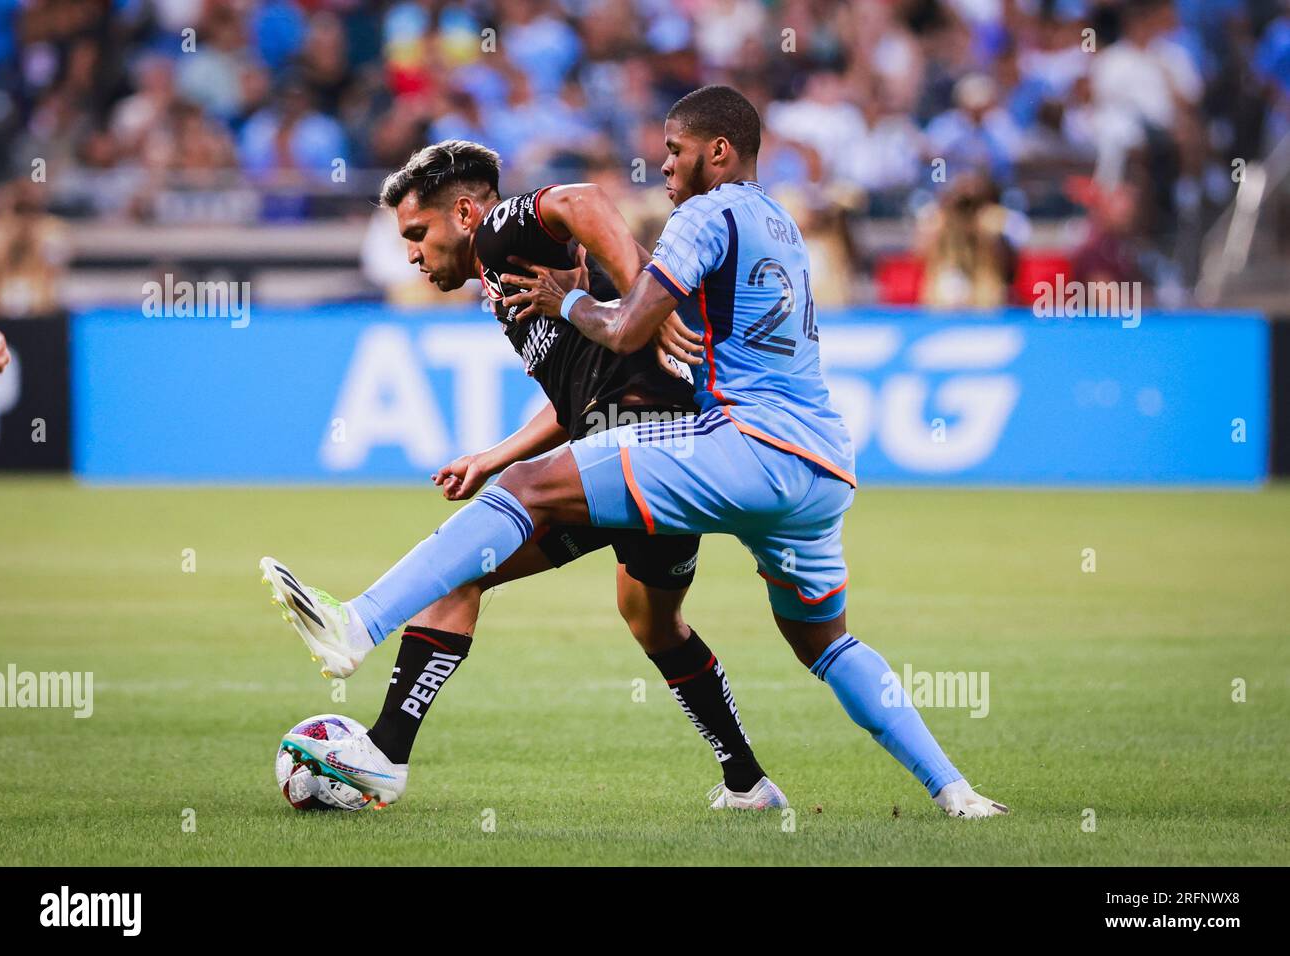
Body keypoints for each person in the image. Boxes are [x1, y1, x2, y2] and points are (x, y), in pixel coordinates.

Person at [265, 86, 1007, 818]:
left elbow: (586, 211)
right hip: (820, 468)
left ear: (718, 153)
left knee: (512, 509)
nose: (665, 171)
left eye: (675, 153)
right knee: (773, 637)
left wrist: (607, 303)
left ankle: (358, 622)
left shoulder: (557, 228)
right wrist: (498, 447)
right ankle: (937, 791)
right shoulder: (778, 220)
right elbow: (586, 389)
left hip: (713, 447)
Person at [263, 139, 785, 810]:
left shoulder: (503, 230)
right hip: (637, 446)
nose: (412, 254)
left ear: (464, 212)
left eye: (418, 233)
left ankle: (363, 651)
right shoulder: (505, 284)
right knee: (651, 621)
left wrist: (644, 302)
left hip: (645, 441)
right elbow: (575, 397)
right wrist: (495, 454)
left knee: (467, 557)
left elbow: (583, 199)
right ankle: (747, 784)